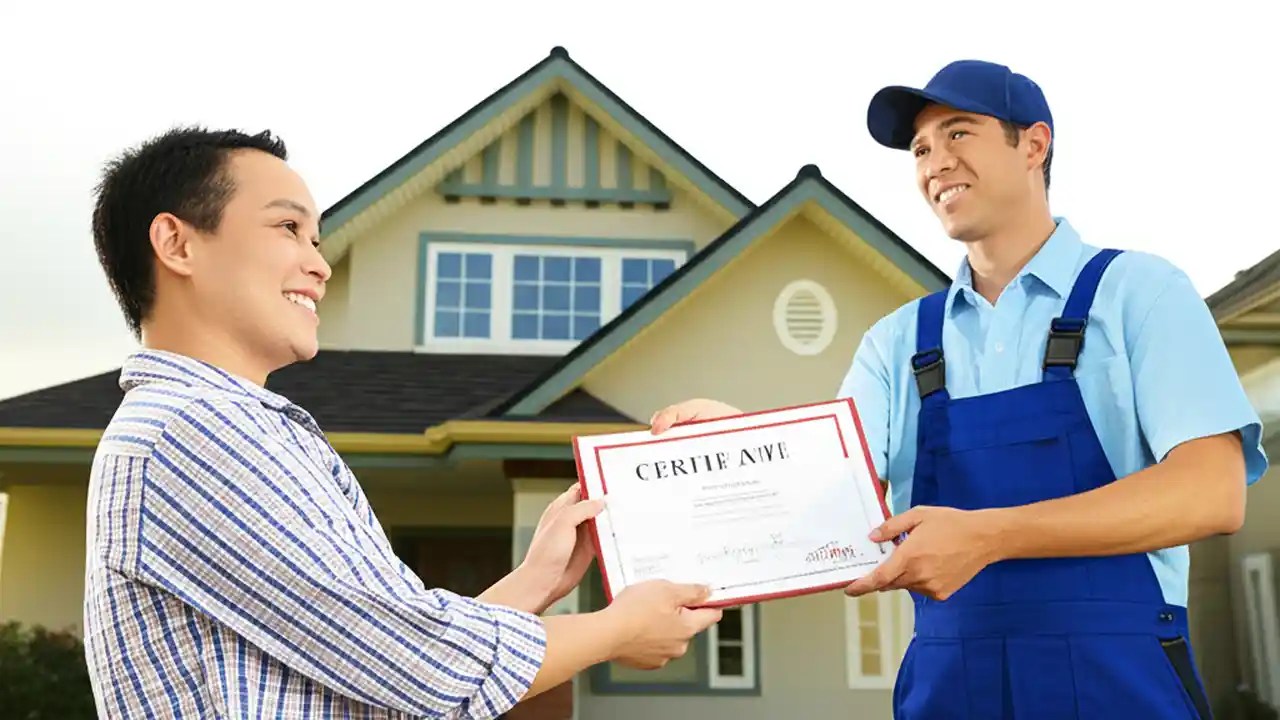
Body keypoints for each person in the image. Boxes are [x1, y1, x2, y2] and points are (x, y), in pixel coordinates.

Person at [651, 60, 1267, 718]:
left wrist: (989, 536)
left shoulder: (1140, 294)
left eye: (958, 133)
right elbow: (826, 497)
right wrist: (737, 446)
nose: (933, 162)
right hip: (950, 684)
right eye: (920, 148)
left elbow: (1211, 492)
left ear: (1033, 144)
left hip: (1117, 678)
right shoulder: (897, 343)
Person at [83, 126, 722, 719]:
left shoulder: (218, 425)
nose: (320, 264)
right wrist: (616, 630)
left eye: (316, 239)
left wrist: (535, 580)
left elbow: (385, 667)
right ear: (178, 243)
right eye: (287, 227)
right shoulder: (195, 432)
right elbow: (423, 663)